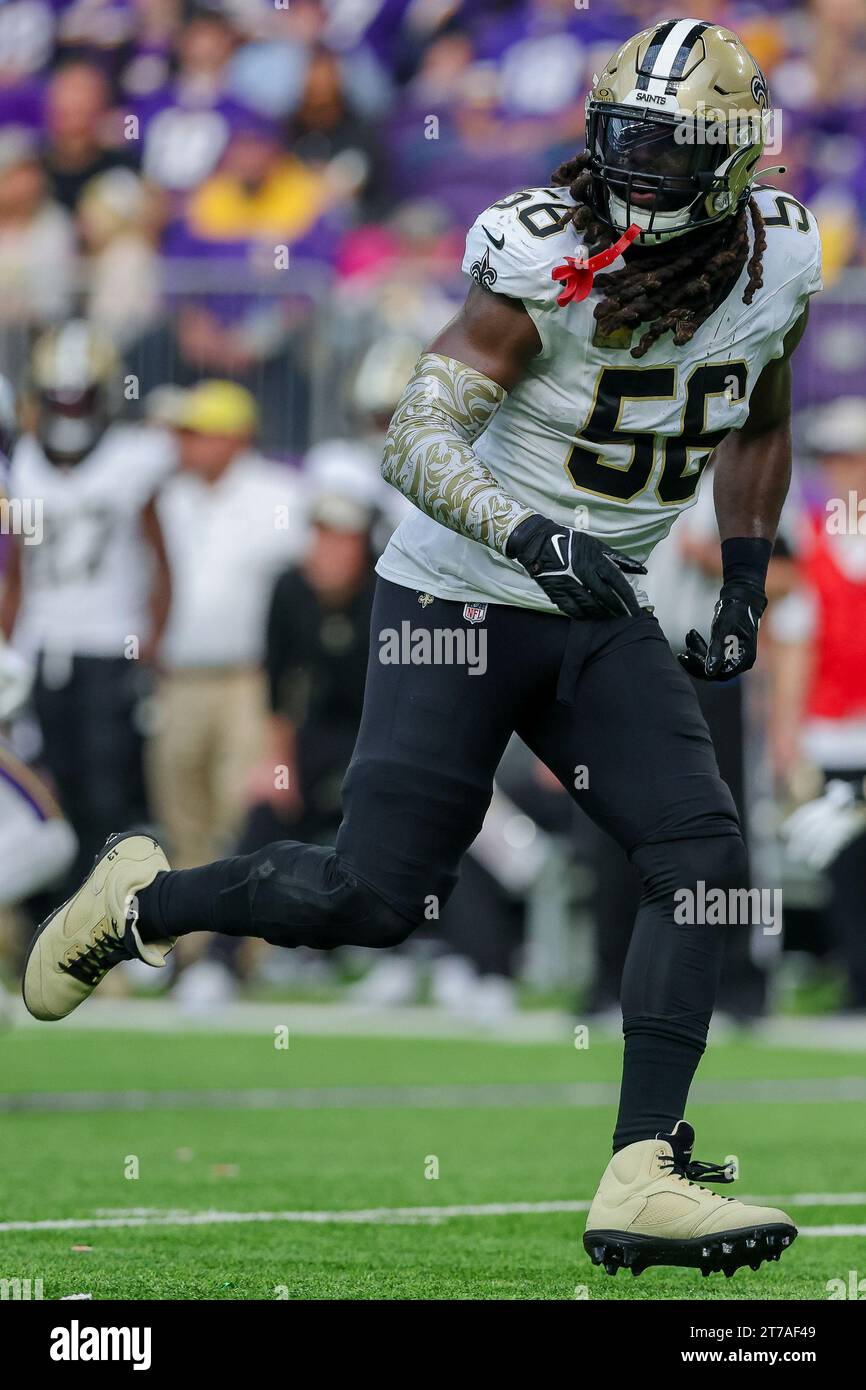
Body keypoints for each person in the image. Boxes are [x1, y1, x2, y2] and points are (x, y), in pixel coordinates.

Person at [23, 21, 822, 1280]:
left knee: (697, 847)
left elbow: (758, 414)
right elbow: (414, 440)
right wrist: (530, 532)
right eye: (617, 141)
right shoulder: (545, 250)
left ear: (725, 163)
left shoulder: (779, 254)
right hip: (459, 596)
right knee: (374, 896)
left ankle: (643, 1170)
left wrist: (740, 569)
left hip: (593, 605)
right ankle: (143, 902)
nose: (631, 172)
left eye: (661, 151)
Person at [1, 320, 174, 887]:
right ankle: (52, 926)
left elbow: (161, 562)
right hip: (42, 646)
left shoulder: (132, 458)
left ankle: (117, 925)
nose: (70, 410)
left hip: (110, 644)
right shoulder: (24, 460)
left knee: (108, 794)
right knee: (51, 793)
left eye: (81, 397)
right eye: (61, 397)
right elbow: (20, 567)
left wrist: (153, 644)